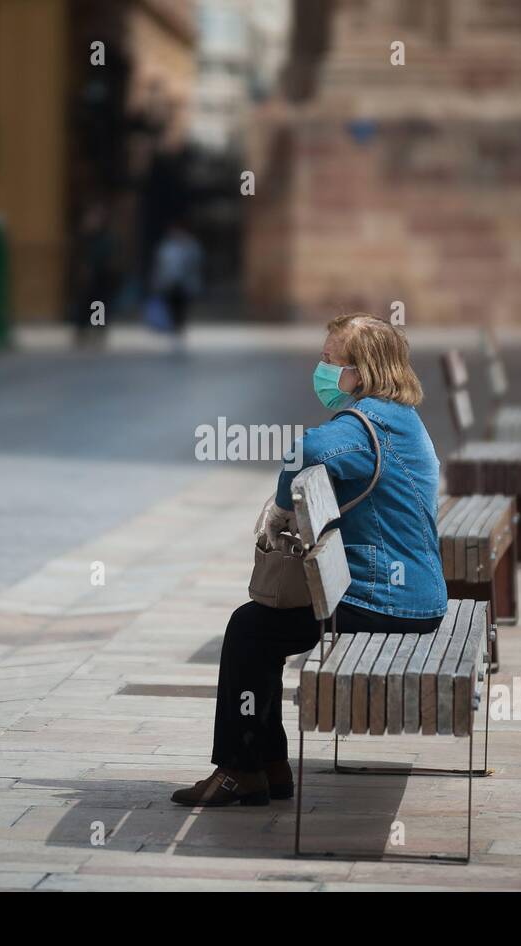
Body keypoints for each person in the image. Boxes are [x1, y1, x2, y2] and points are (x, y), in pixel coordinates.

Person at [171, 313, 448, 807]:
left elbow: (306, 450)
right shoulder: (397, 417)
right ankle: (267, 766)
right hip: (410, 594)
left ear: (359, 373)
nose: (319, 369)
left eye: (328, 361)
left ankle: (242, 769)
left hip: (390, 601)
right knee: (259, 629)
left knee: (250, 630)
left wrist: (279, 509)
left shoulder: (370, 424)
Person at [70, 204, 119, 349]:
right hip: (88, 277)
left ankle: (97, 329)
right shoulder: (85, 237)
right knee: (85, 303)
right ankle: (83, 330)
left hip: (101, 276)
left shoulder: (106, 238)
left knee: (98, 303)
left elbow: (108, 257)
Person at [149, 220, 202, 345]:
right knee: (171, 305)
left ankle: (180, 327)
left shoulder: (190, 245)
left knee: (182, 306)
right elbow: (159, 265)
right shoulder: (166, 247)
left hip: (184, 283)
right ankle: (174, 326)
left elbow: (197, 262)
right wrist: (157, 281)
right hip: (169, 283)